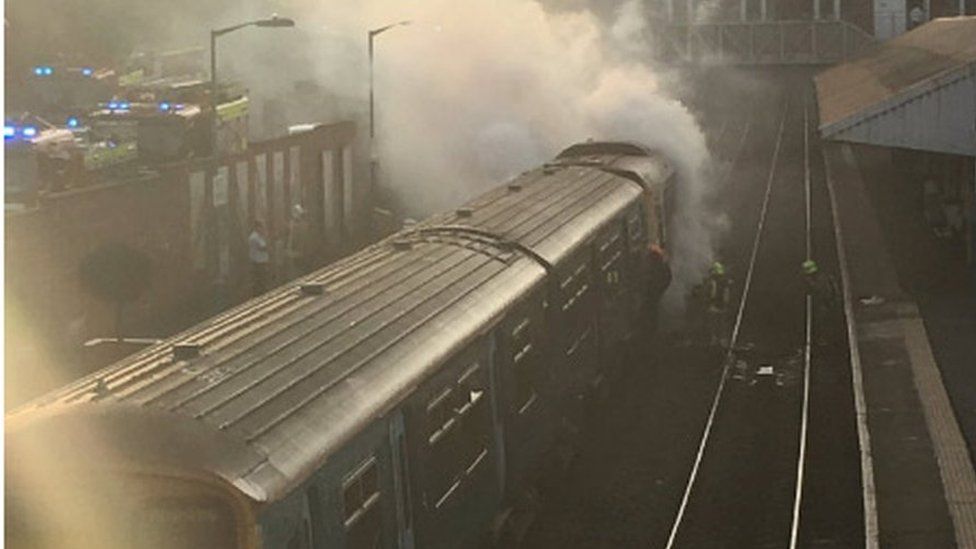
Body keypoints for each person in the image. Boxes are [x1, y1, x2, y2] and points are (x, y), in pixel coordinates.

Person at [705, 261, 732, 348]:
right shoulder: (717, 282)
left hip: (719, 305)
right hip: (715, 305)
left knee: (720, 323)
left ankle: (720, 340)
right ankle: (717, 339)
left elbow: (725, 293)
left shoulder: (721, 282)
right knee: (716, 322)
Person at [285, 204, 310, 280]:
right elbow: (291, 238)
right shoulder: (297, 225)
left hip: (298, 251)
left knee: (298, 270)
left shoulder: (299, 225)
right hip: (296, 252)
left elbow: (293, 238)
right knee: (296, 271)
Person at [249, 220, 270, 297]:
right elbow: (263, 247)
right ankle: (259, 294)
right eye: (261, 227)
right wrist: (267, 238)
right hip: (259, 262)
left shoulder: (258, 236)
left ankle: (260, 293)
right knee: (260, 280)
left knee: (261, 279)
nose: (262, 229)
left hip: (260, 261)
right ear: (257, 227)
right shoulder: (255, 237)